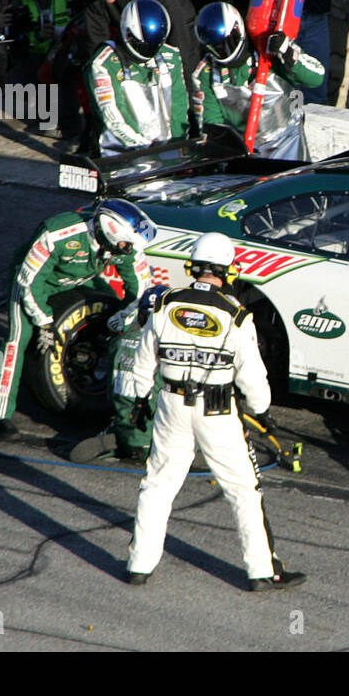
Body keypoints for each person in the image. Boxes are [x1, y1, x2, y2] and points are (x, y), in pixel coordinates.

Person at [123, 231, 306, 591]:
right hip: (218, 410)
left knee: (157, 485)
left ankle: (139, 566)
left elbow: (144, 359)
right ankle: (261, 572)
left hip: (171, 405)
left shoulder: (165, 303)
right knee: (242, 490)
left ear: (193, 267)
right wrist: (261, 409)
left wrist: (139, 399)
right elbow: (253, 380)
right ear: (228, 271)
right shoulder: (237, 315)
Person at [0, 199, 155, 439]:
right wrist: (44, 321)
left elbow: (140, 292)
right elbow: (29, 282)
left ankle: (114, 402)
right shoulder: (57, 233)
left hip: (79, 279)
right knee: (16, 340)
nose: (130, 250)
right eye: (127, 244)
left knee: (114, 309)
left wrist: (121, 319)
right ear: (110, 231)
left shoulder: (126, 246)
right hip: (32, 281)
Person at [190, 1, 325, 158]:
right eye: (216, 48)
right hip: (243, 150)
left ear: (238, 29)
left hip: (287, 141)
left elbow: (316, 78)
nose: (223, 51)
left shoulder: (270, 48)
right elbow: (213, 125)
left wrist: (288, 54)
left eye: (228, 43)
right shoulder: (206, 73)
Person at [69, 283, 169, 464]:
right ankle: (143, 443)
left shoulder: (119, 339)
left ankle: (124, 437)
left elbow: (112, 324)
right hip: (154, 419)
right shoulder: (165, 346)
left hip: (121, 409)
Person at [86, 0, 192, 151]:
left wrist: (179, 144)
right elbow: (112, 116)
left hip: (167, 153)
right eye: (143, 45)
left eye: (155, 45)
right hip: (121, 155)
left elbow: (179, 105)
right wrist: (145, 148)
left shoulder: (171, 56)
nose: (149, 51)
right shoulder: (103, 63)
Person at [81, 0, 200, 79]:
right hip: (134, 37)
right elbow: (96, 42)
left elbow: (179, 31)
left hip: (180, 28)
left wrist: (184, 77)